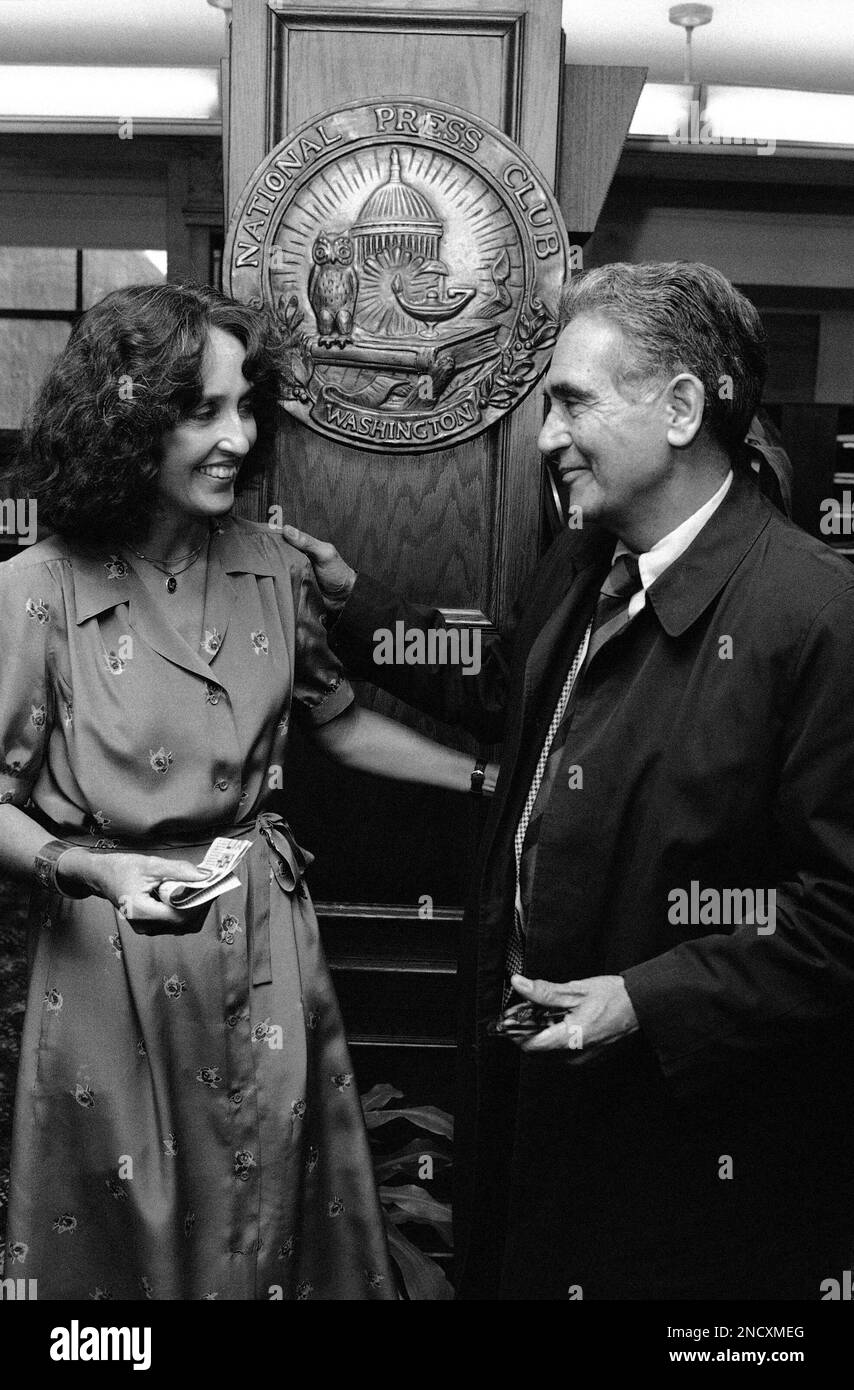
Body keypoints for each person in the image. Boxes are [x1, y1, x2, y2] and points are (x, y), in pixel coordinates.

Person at [286, 261, 854, 1301]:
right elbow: (508, 677)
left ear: (682, 407)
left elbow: (838, 914)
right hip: (530, 1103)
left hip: (685, 1151)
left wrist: (645, 999)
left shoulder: (817, 620)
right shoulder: (582, 561)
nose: (545, 435)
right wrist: (354, 601)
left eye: (570, 401)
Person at [0, 282, 496, 1301]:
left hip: (266, 934)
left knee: (275, 1212)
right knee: (123, 1247)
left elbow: (340, 721)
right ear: (126, 419)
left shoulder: (274, 566)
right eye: (202, 411)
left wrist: (491, 780)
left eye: (245, 407)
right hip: (113, 948)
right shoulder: (34, 590)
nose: (236, 437)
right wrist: (87, 865)